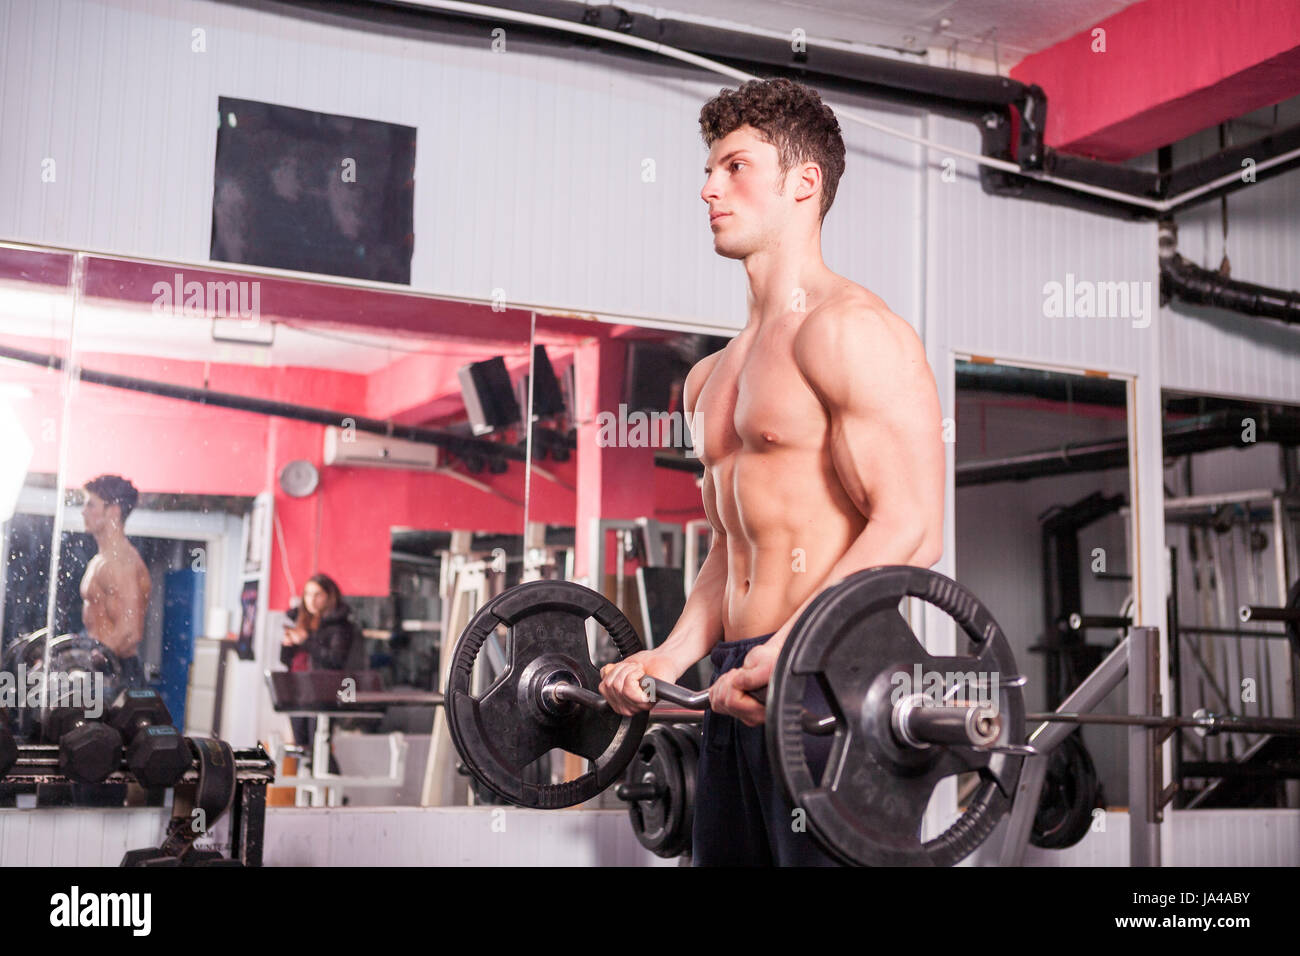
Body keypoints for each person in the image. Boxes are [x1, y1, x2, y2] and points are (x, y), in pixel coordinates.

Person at [598, 78, 944, 865]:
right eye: (709, 170)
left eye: (735, 166)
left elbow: (913, 523)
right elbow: (734, 545)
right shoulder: (710, 377)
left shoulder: (852, 331)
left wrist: (792, 645)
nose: (708, 187)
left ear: (803, 183)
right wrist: (671, 654)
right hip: (739, 673)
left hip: (835, 678)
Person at [280, 573, 365, 774]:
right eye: (308, 594)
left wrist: (305, 640)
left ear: (329, 596)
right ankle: (310, 796)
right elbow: (286, 660)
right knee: (303, 747)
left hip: (322, 693)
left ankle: (334, 795)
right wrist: (289, 644)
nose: (311, 599)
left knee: (320, 745)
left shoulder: (340, 626)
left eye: (317, 594)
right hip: (297, 690)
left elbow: (335, 659)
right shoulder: (301, 620)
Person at [79, 475, 151, 691]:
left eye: (90, 504)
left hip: (115, 674)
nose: (83, 511)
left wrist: (89, 666)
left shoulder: (122, 562)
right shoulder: (101, 559)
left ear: (114, 511)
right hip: (103, 667)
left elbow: (130, 633)